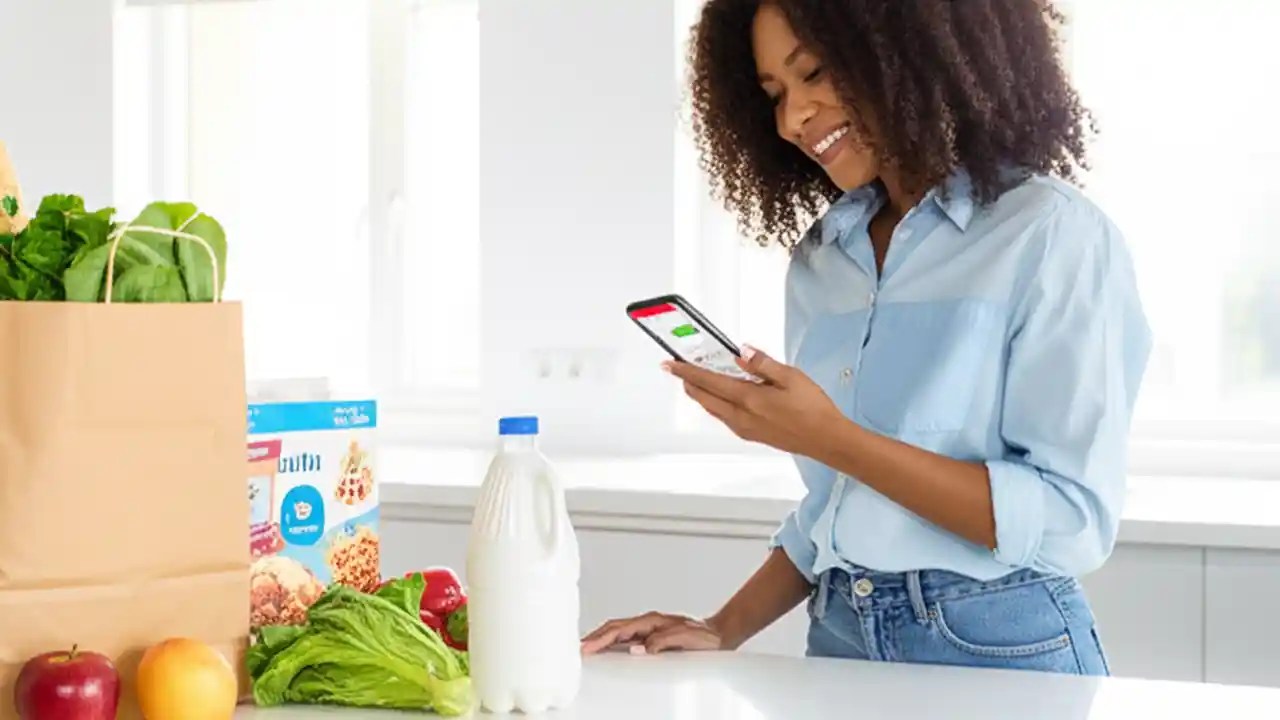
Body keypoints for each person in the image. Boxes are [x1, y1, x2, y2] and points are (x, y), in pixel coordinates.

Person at [581, 0, 1151, 676]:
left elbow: (1071, 519)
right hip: (841, 629)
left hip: (1000, 643)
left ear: (911, 47)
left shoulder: (1050, 235)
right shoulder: (824, 260)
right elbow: (838, 506)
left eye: (814, 72)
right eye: (775, 95)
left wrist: (829, 438)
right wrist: (721, 626)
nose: (793, 118)